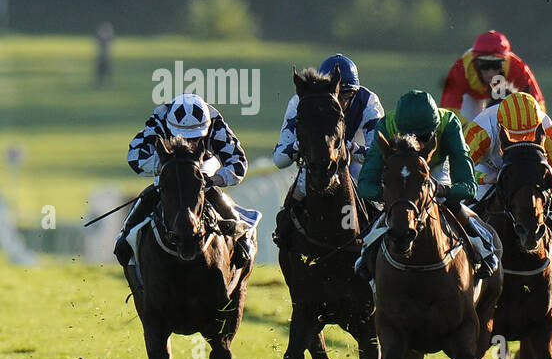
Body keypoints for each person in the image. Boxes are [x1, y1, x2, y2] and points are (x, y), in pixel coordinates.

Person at [355, 89, 498, 279]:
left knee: (446, 201)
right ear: (399, 132)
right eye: (412, 139)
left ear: (435, 129)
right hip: (401, 171)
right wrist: (394, 195)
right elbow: (365, 185)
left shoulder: (449, 124)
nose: (420, 146)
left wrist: (443, 189)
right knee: (397, 205)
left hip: (436, 168)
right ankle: (366, 251)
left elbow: (469, 187)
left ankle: (482, 244)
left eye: (425, 138)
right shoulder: (386, 127)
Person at [114, 92, 250, 267]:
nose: (190, 142)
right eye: (185, 137)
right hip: (170, 169)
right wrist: (168, 168)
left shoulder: (215, 123)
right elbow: (135, 156)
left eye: (195, 137)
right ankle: (125, 235)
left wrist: (214, 180)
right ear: (170, 127)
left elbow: (238, 163)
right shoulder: (159, 122)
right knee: (147, 198)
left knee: (214, 196)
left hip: (203, 170)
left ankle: (242, 237)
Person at [271, 54, 385, 241]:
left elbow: (379, 155)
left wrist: (349, 149)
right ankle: (285, 232)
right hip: (316, 163)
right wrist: (303, 144)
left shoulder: (369, 102)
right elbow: (280, 159)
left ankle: (378, 238)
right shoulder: (300, 102)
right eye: (334, 94)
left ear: (355, 93)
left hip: (355, 163)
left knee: (373, 193)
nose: (338, 102)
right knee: (300, 189)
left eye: (345, 95)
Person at [465, 91, 552, 261]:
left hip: (532, 176)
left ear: (537, 126)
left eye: (528, 135)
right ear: (500, 127)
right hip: (491, 171)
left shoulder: (545, 124)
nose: (521, 141)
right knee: (466, 204)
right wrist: (485, 178)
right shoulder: (481, 127)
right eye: (514, 136)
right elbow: (459, 169)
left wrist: (542, 182)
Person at [440, 30, 544, 124]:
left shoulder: (516, 67)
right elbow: (448, 111)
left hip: (500, 94)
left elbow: (538, 106)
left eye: (496, 65)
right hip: (472, 96)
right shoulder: (461, 69)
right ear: (475, 62)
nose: (491, 72)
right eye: (485, 65)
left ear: (504, 62)